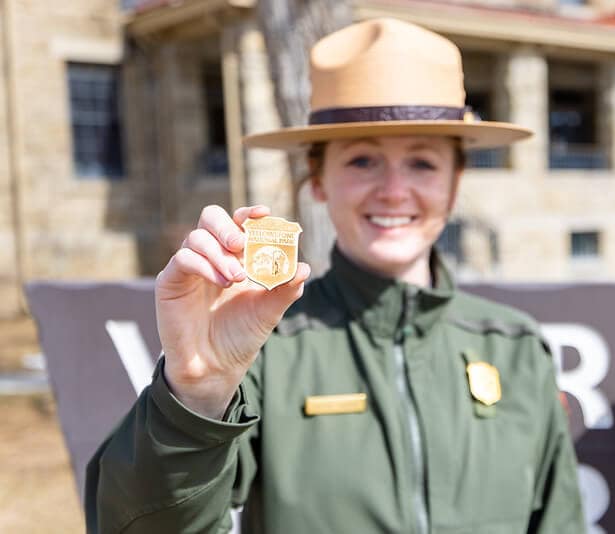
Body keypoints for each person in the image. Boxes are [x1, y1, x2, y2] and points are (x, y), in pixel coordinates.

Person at [85, 18, 584, 534]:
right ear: (318, 179)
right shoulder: (261, 349)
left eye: (423, 163)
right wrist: (196, 396)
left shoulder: (516, 349)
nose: (394, 191)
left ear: (455, 183)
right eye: (363, 160)